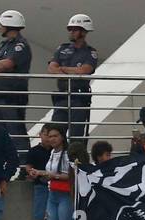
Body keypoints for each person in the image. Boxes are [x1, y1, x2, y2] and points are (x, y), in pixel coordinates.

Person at [47, 13, 97, 143]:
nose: (71, 32)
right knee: (55, 133)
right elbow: (52, 68)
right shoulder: (62, 48)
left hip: (79, 99)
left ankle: (74, 162)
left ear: (83, 32)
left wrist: (63, 69)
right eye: (70, 29)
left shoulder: (90, 52)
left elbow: (84, 71)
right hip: (62, 97)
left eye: (74, 29)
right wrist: (72, 72)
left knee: (76, 138)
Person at [0, 11, 31, 140]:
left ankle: (22, 158)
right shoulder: (4, 44)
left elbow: (8, 63)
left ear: (9, 24)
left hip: (13, 97)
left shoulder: (21, 45)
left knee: (16, 133)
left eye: (1, 24)